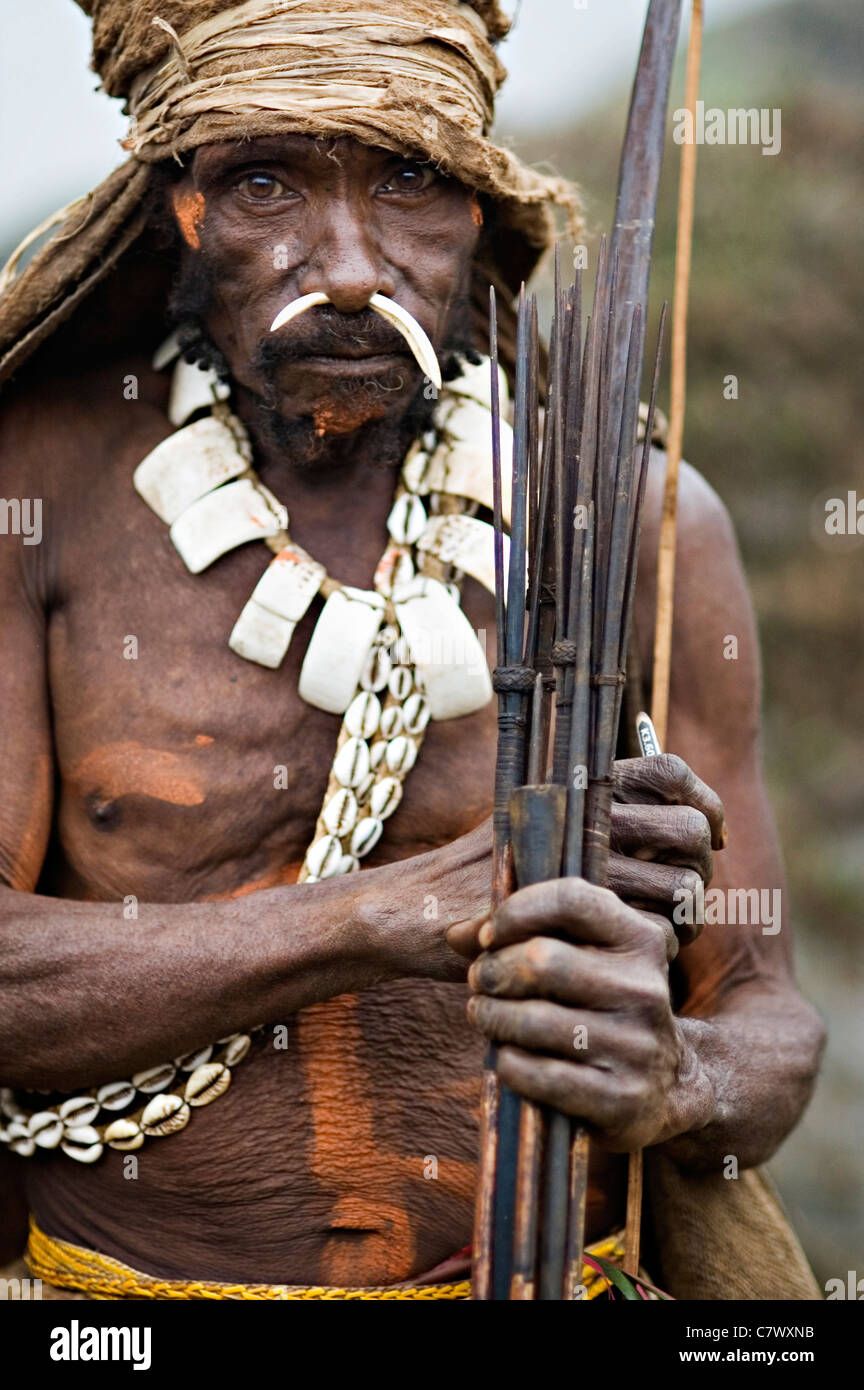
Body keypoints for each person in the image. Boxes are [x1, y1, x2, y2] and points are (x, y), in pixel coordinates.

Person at [0, 0, 823, 1300]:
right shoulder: (35, 497)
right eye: (266, 179)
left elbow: (768, 1022)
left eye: (411, 180)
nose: (344, 265)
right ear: (176, 208)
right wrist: (403, 907)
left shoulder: (641, 520)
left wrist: (681, 1078)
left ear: (482, 217)